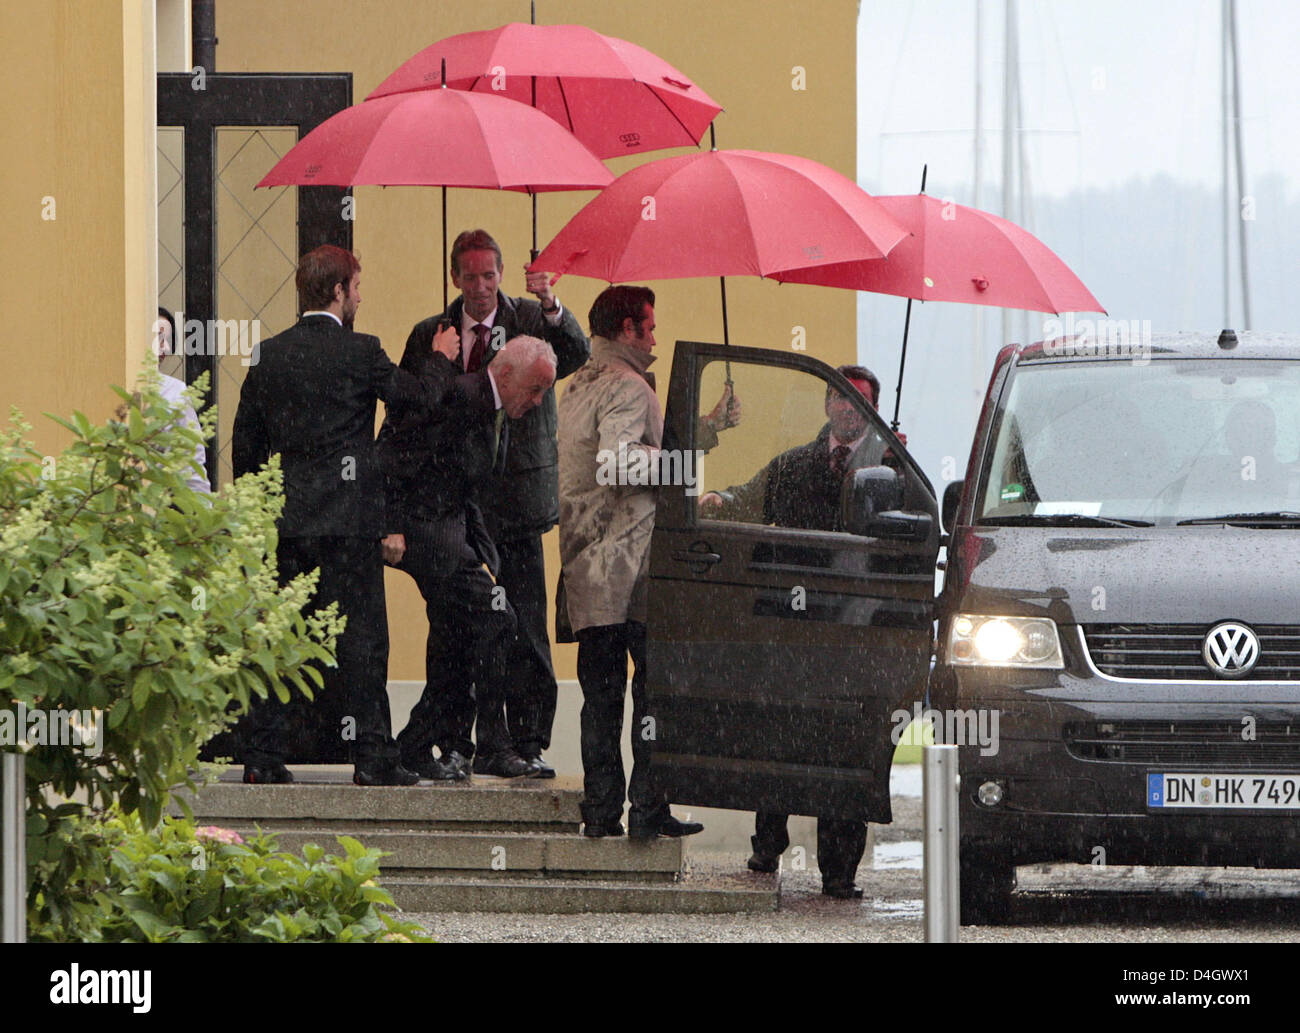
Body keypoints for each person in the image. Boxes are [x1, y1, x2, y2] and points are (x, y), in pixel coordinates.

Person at [231, 244, 455, 787]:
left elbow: (245, 446)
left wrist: (268, 505)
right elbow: (416, 399)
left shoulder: (267, 355)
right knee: (362, 641)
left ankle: (262, 755)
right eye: (356, 287)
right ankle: (372, 756)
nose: (360, 295)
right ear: (337, 291)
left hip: (287, 526)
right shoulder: (362, 351)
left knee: (279, 637)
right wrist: (440, 355)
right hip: (350, 523)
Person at [700, 365, 903, 898]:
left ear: (873, 411)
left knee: (846, 747)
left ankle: (839, 872)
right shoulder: (794, 465)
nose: (848, 408)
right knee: (781, 735)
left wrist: (899, 466)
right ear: (826, 404)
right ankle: (767, 846)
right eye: (840, 398)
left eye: (860, 401)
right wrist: (717, 499)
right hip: (794, 630)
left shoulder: (892, 468)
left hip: (856, 634)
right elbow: (748, 496)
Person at [398, 229, 589, 779]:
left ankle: (523, 741)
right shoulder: (431, 333)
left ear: (502, 274)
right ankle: (455, 741)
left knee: (522, 625)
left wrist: (551, 303)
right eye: (470, 276)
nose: (480, 288)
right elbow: (414, 410)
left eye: (490, 275)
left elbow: (574, 353)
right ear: (455, 277)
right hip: (455, 506)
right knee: (456, 626)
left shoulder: (530, 318)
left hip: (517, 501)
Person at [558, 286, 738, 839]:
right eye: (651, 327)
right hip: (632, 570)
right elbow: (619, 462)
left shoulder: (575, 388)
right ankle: (648, 809)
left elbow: (600, 456)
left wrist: (704, 428)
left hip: (585, 570)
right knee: (652, 695)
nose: (656, 337)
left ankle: (601, 812)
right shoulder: (630, 386)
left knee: (600, 700)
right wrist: (688, 467)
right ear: (629, 329)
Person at [380, 335, 557, 782]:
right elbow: (394, 448)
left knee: (458, 638)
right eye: (535, 389)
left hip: (450, 532)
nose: (537, 402)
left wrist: (486, 554)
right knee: (497, 621)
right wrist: (390, 522)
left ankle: (416, 747)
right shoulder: (461, 396)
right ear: (505, 373)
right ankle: (479, 745)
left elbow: (466, 486)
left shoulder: (489, 406)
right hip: (428, 532)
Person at [152, 307, 211, 495]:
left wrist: (204, 515)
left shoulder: (175, 391)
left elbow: (192, 464)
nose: (166, 348)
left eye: (168, 341)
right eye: (159, 339)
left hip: (157, 511)